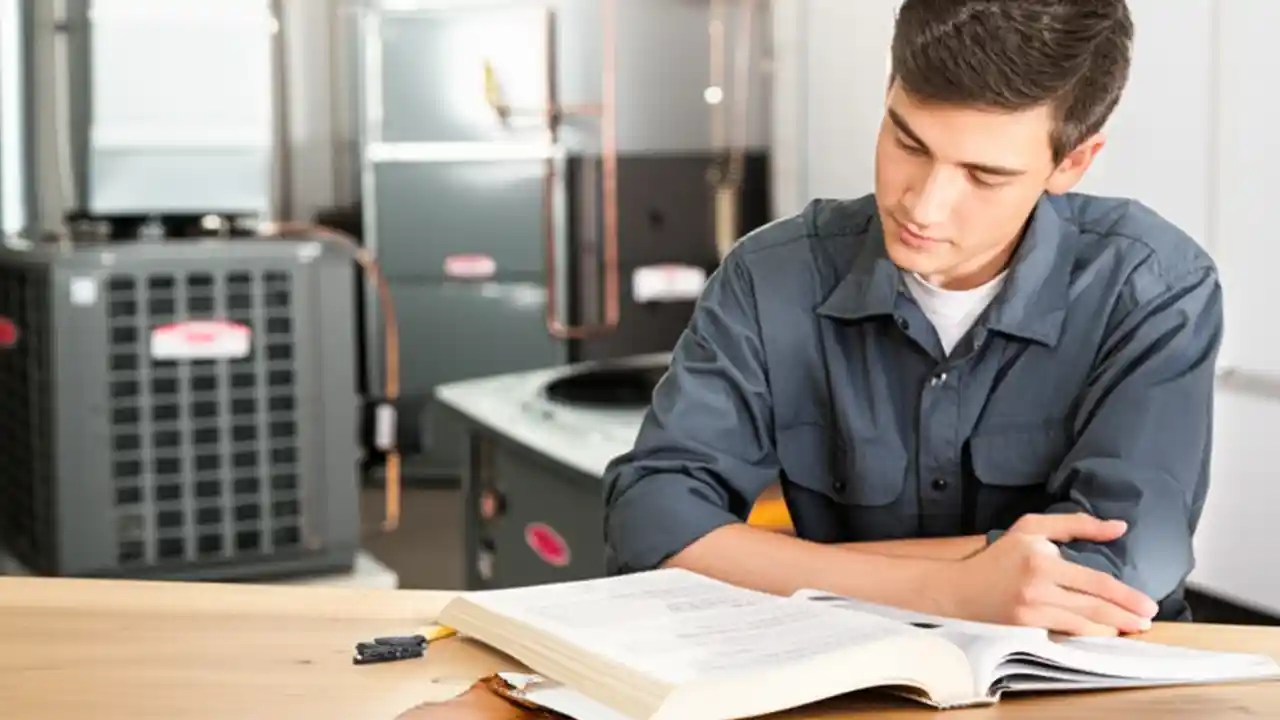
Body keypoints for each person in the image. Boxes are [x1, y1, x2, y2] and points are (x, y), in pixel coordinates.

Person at [602, 0, 1223, 636]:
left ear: (1072, 163)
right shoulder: (771, 275)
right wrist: (950, 590)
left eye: (984, 176)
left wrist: (768, 563)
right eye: (908, 142)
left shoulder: (1151, 286)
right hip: (845, 679)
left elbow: (1119, 569)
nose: (923, 206)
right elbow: (650, 518)